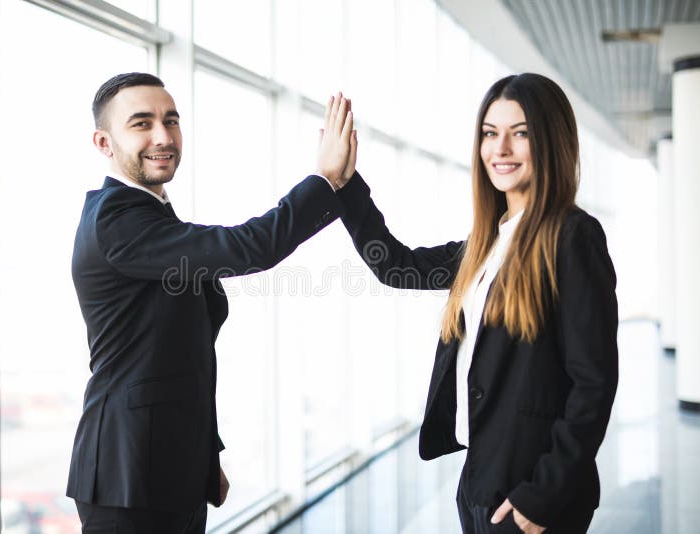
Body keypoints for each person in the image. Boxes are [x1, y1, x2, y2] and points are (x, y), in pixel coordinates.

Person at [66, 72, 356, 533]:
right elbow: (247, 246)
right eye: (141, 123)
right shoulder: (117, 220)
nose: (163, 136)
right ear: (104, 143)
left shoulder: (153, 215)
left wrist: (203, 457)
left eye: (171, 120)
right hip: (127, 476)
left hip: (167, 464)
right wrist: (324, 180)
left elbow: (181, 358)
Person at [336, 73, 618, 533]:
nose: (500, 148)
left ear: (551, 140)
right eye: (490, 133)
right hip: (481, 478)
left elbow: (594, 383)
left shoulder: (572, 237)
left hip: (532, 490)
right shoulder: (487, 244)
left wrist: (542, 496)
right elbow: (395, 265)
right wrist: (345, 184)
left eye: (520, 133)